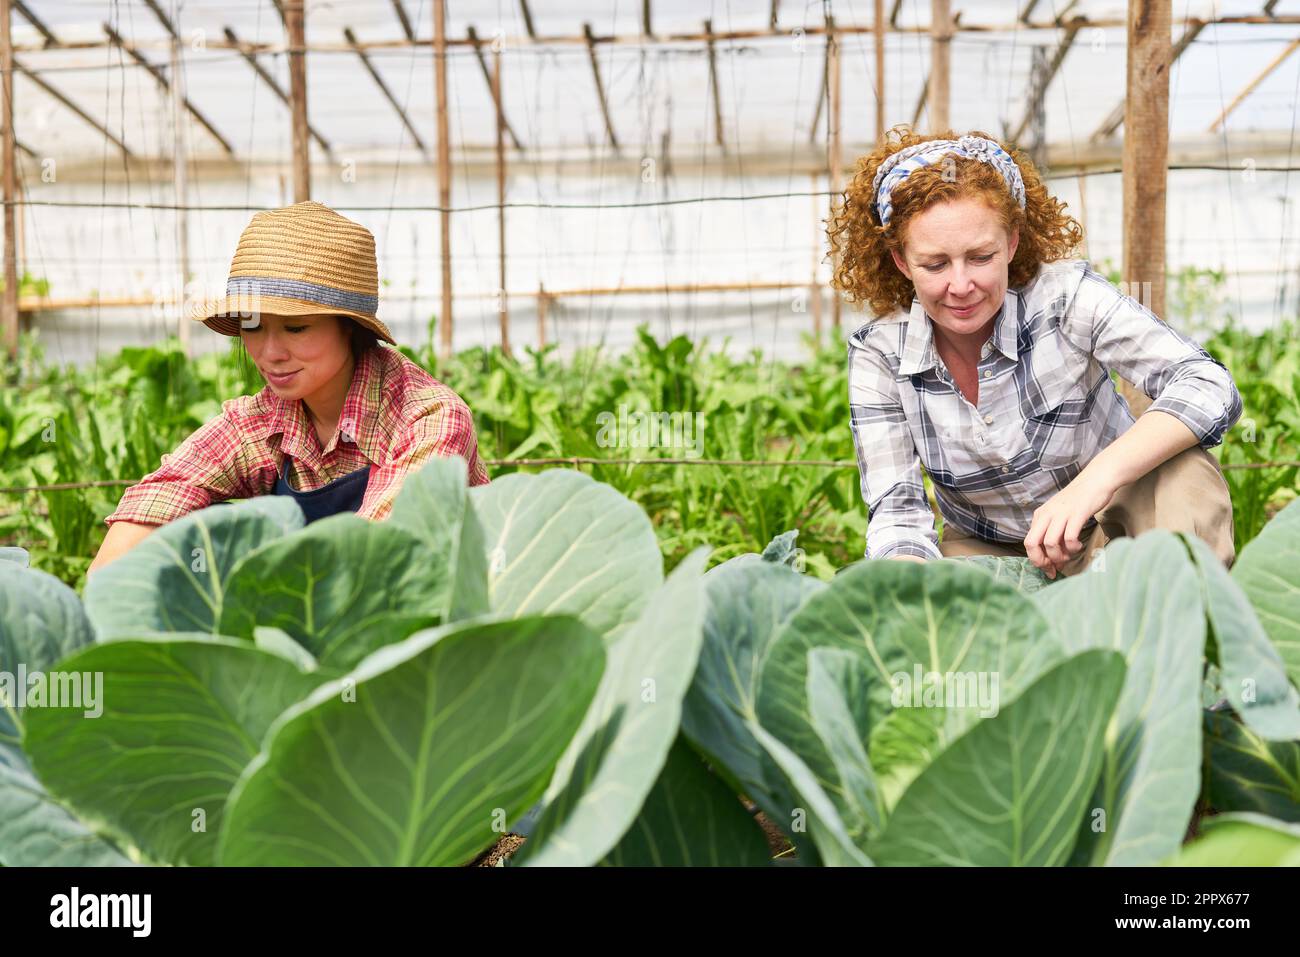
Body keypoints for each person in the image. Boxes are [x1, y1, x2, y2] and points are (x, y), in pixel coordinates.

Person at [828, 127, 1241, 578]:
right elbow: (899, 513)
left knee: (1184, 477)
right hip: (989, 552)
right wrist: (905, 589)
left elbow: (1208, 383)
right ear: (902, 262)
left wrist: (1092, 483)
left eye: (981, 256)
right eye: (935, 264)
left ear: (1011, 242)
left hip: (1113, 522)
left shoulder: (1064, 300)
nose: (961, 285)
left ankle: (1181, 630)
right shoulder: (879, 355)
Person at [89, 200, 489, 573]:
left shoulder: (428, 419)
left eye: (295, 327)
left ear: (349, 328)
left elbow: (380, 558)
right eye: (253, 326)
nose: (270, 352)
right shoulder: (261, 423)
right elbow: (158, 501)